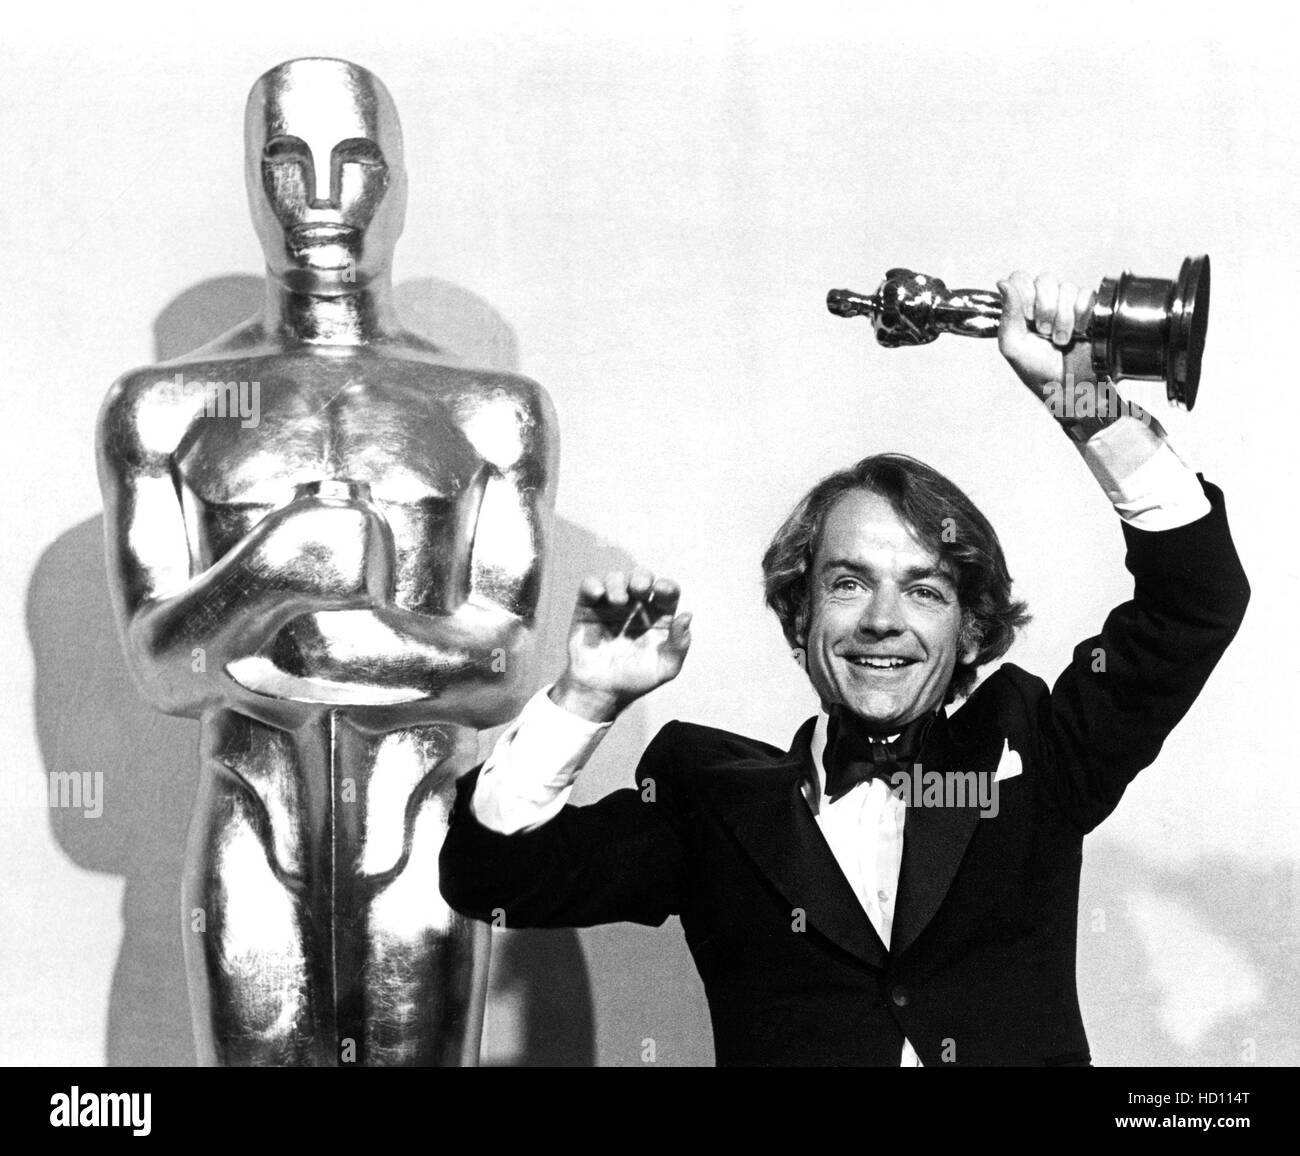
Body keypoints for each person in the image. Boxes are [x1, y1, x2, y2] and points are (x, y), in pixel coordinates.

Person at [438, 270, 1249, 1066]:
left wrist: (1078, 396)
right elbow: (493, 877)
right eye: (850, 583)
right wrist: (585, 696)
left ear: (972, 632)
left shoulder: (1034, 753)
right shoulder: (711, 798)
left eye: (924, 590)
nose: (883, 620)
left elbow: (1195, 601)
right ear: (800, 619)